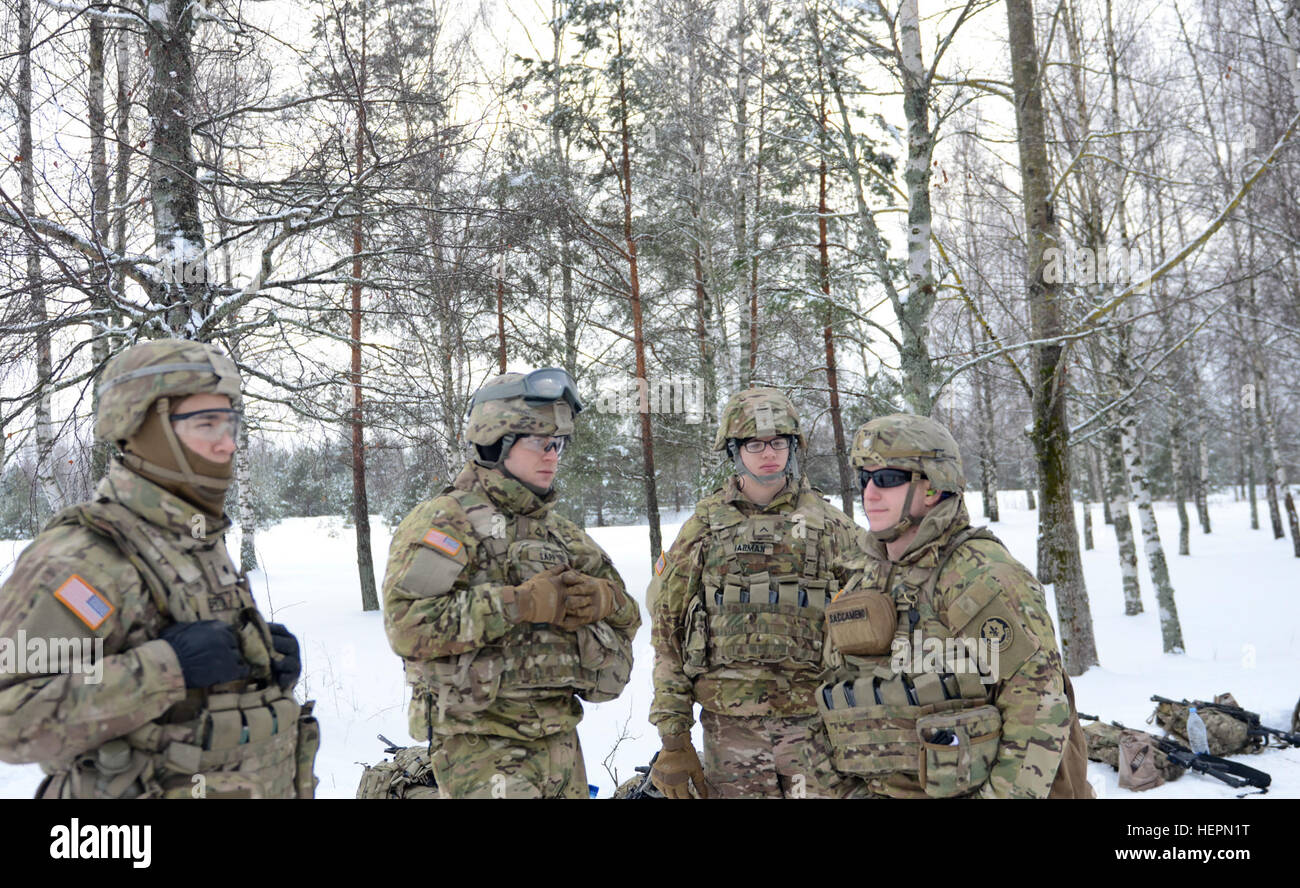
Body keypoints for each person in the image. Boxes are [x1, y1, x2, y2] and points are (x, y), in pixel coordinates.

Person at [0, 338, 316, 798]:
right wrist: (165, 669)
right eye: (206, 423)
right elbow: (11, 720)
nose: (228, 444)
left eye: (230, 421)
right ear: (145, 426)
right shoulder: (82, 556)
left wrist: (259, 665)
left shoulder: (190, 538)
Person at [382, 368, 640, 799]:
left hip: (561, 743)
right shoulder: (448, 521)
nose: (553, 456)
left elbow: (628, 615)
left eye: (558, 444)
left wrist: (605, 599)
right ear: (498, 441)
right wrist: (518, 604)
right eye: (540, 443)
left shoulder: (563, 534)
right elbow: (407, 625)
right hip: (480, 747)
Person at [816, 413, 1091, 798]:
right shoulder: (864, 576)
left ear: (933, 487)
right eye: (865, 478)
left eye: (889, 479)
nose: (870, 493)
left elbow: (1038, 711)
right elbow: (833, 696)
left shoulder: (978, 575)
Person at [647, 387, 867, 798]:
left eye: (779, 441)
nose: (769, 452)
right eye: (755, 443)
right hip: (730, 731)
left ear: (793, 446)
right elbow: (667, 634)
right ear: (734, 449)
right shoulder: (705, 528)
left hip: (815, 729)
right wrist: (674, 739)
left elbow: (878, 620)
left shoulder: (830, 526)